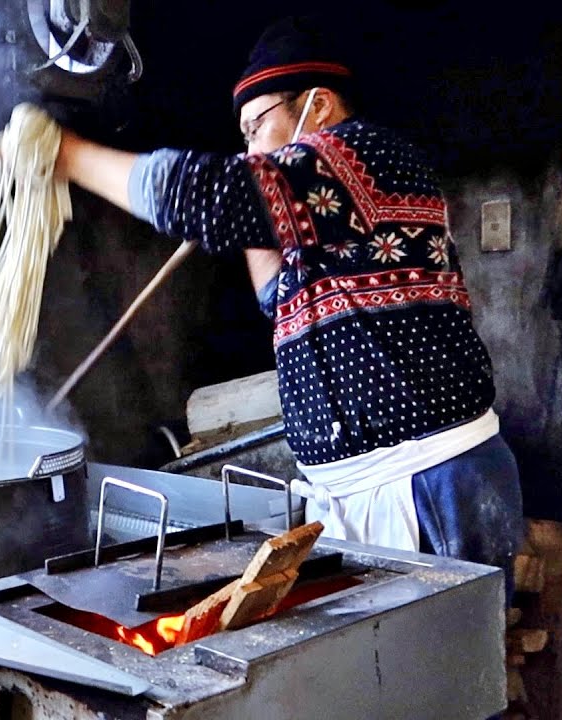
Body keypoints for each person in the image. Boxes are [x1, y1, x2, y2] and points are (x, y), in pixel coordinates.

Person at [42, 16, 524, 591]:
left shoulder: (362, 157)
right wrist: (254, 205)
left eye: (257, 125)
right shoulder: (325, 219)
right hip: (361, 489)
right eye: (243, 137)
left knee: (442, 665)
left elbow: (199, 195)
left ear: (316, 106)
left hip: (430, 482)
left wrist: (65, 155)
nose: (250, 146)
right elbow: (274, 296)